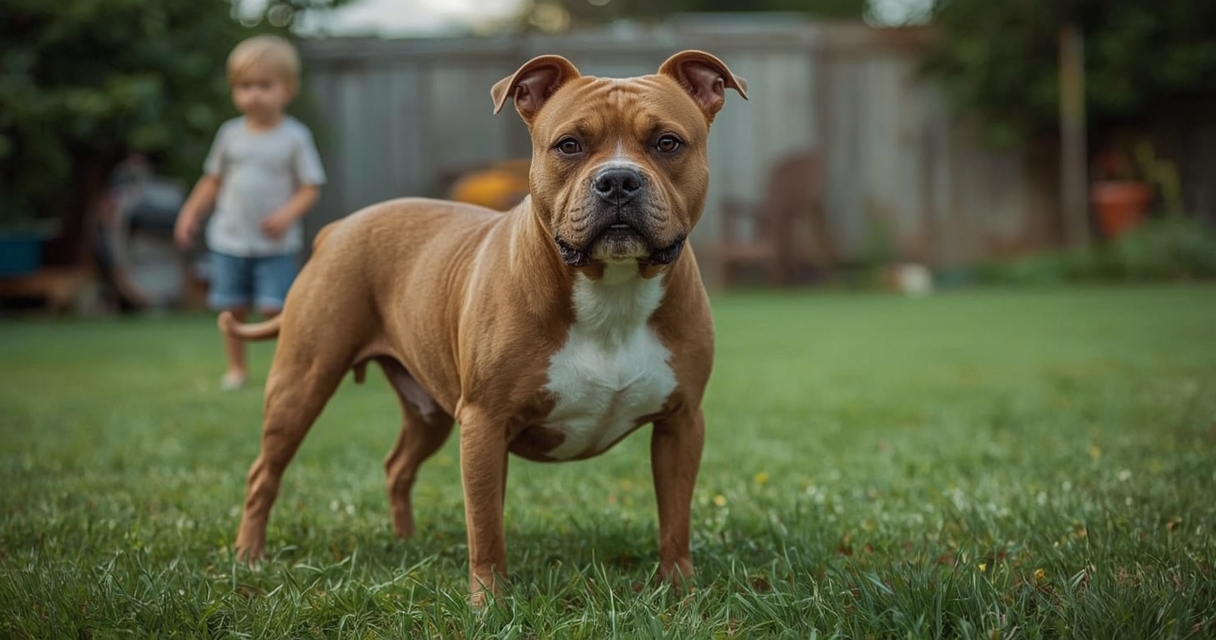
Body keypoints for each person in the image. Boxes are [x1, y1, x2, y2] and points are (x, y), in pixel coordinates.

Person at [174, 34, 326, 390]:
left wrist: (287, 214)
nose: (253, 94)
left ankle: (284, 369)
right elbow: (212, 180)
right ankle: (236, 369)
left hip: (275, 244)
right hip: (230, 238)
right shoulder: (230, 135)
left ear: (288, 89)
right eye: (245, 86)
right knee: (232, 308)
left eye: (264, 86)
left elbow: (310, 187)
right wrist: (190, 212)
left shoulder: (294, 137)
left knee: (276, 309)